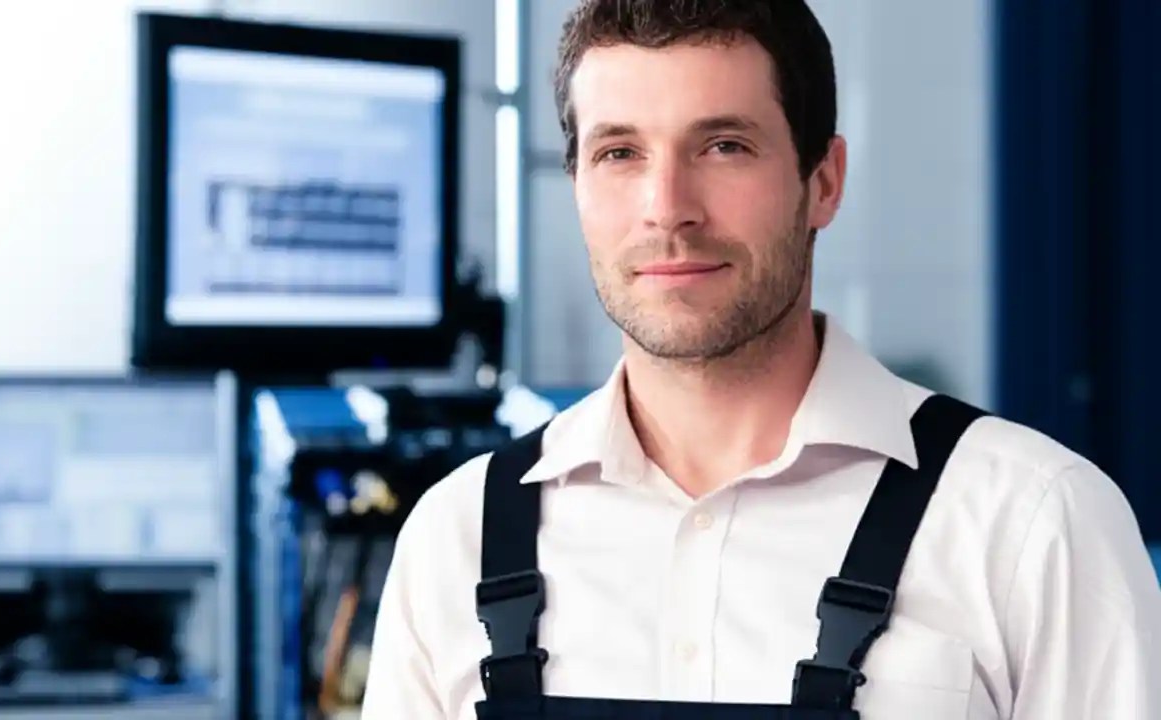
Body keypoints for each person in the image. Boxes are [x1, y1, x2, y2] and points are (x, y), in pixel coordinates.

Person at [360, 1, 1161, 718]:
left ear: (824, 182)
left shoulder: (1032, 524)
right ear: (577, 186)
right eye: (620, 153)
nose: (667, 209)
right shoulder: (455, 538)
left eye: (724, 146)